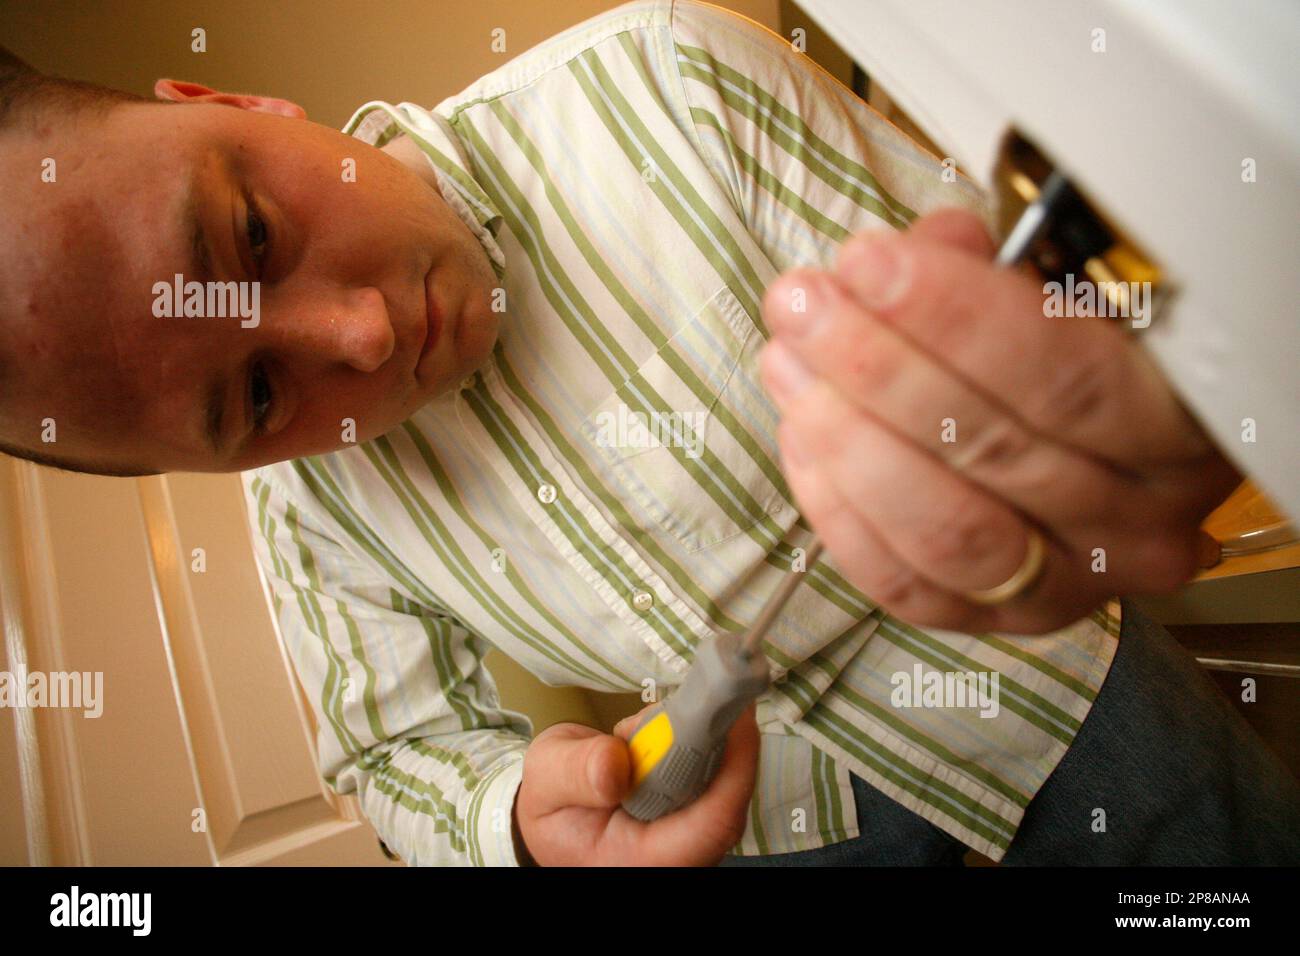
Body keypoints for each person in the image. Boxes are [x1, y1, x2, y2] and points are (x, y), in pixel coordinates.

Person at [2, 0, 1296, 866]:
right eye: (258, 401)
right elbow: (387, 752)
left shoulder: (664, 73)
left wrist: (1167, 370)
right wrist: (516, 819)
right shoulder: (302, 509)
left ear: (240, 105)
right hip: (791, 838)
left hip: (1074, 705)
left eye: (252, 239)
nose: (361, 337)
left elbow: (1072, 289)